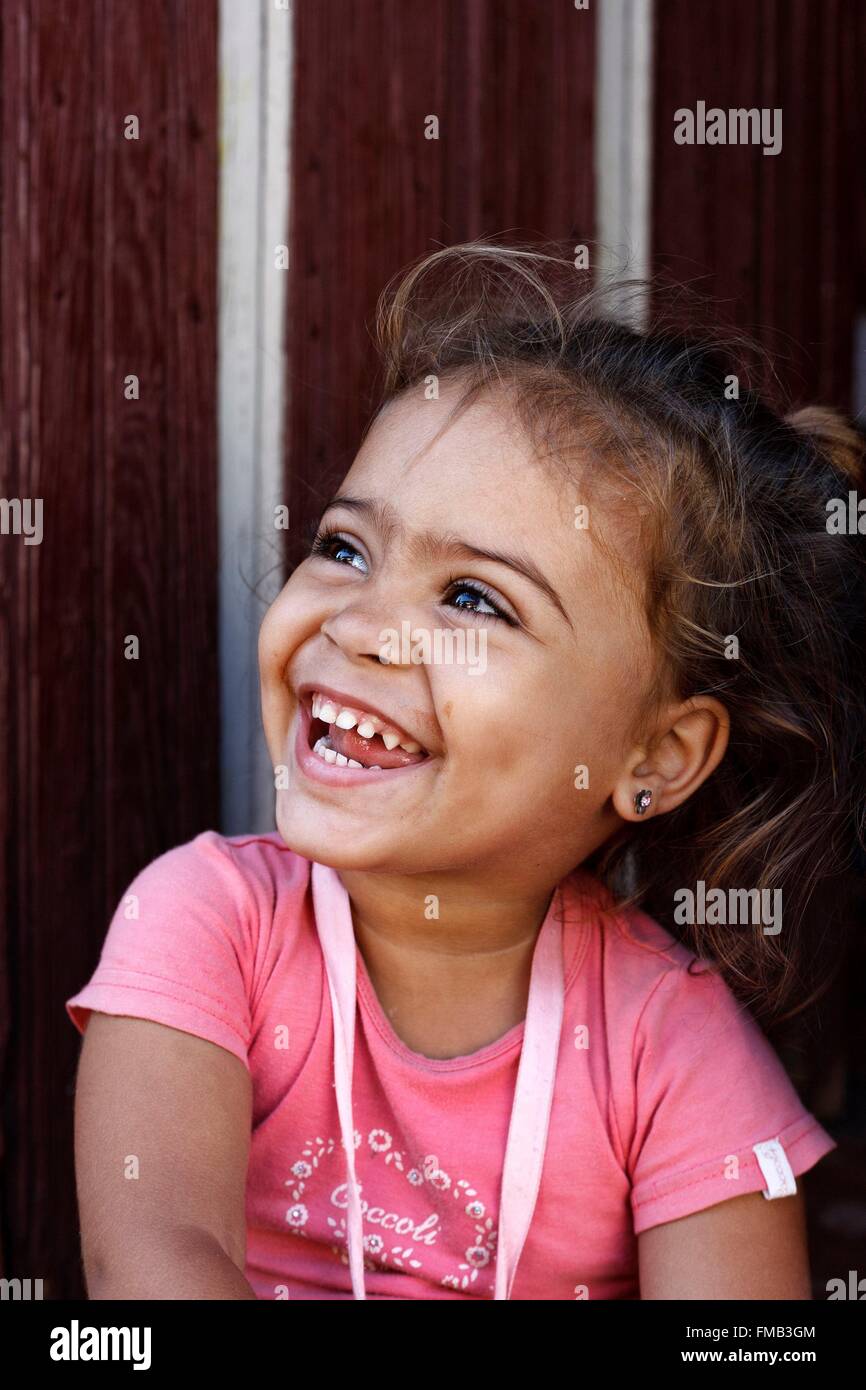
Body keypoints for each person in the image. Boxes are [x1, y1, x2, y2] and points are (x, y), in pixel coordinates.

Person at [67, 241, 865, 1300]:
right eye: (345, 548)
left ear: (655, 757)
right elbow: (151, 1274)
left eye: (472, 600)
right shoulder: (210, 927)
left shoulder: (670, 1049)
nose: (360, 626)